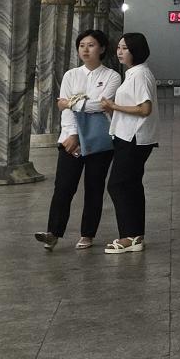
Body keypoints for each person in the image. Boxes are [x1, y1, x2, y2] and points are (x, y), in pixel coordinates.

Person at [35, 30, 119, 251]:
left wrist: (72, 102)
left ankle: (87, 234)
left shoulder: (112, 76)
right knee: (63, 187)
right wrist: (72, 133)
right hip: (71, 140)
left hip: (99, 142)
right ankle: (53, 232)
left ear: (101, 48)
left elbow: (102, 105)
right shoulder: (71, 75)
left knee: (94, 187)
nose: (85, 49)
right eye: (81, 45)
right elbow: (66, 111)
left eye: (91, 45)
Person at [99, 31, 157, 253]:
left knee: (118, 185)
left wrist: (113, 106)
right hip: (130, 136)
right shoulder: (135, 73)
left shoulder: (140, 75)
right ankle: (136, 235)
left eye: (125, 48)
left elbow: (145, 108)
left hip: (134, 137)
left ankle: (128, 236)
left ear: (136, 51)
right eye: (119, 47)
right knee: (131, 185)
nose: (120, 51)